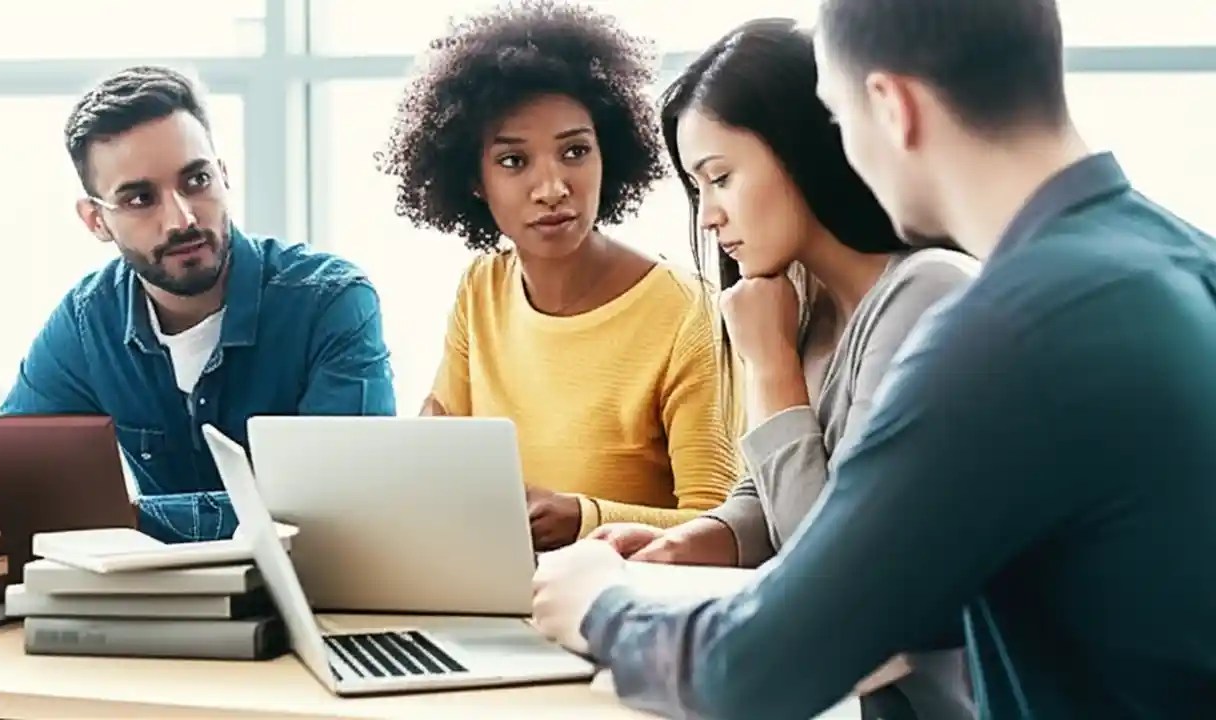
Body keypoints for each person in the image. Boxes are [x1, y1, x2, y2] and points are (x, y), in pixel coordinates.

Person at [532, 0, 1216, 717]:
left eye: (838, 115)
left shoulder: (1008, 330)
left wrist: (600, 606)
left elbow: (768, 665)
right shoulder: (1177, 262)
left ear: (892, 107)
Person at [585, 19, 977, 719]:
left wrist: (770, 369)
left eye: (721, 178)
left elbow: (828, 570)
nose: (709, 217)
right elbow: (768, 496)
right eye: (698, 189)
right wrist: (684, 545)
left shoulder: (926, 296)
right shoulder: (801, 306)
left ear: (802, 149)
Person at [377, 0, 740, 552]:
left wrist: (584, 517)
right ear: (473, 180)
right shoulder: (480, 290)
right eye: (513, 161)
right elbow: (442, 457)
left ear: (607, 154)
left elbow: (719, 525)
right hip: (497, 587)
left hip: (628, 594)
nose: (552, 188)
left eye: (574, 151)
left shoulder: (688, 313)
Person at [0, 66, 397, 543]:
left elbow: (345, 508)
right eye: (140, 198)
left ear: (223, 176)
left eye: (196, 180)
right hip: (157, 590)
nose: (182, 219)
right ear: (96, 221)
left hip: (315, 586)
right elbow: (7, 488)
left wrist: (127, 521)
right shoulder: (88, 324)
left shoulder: (330, 300)